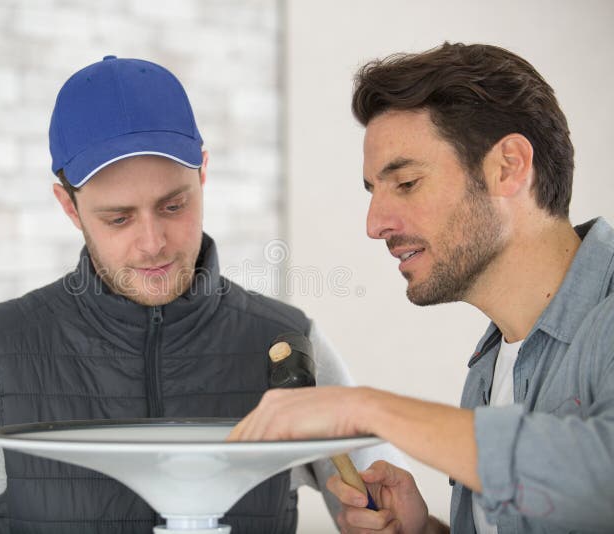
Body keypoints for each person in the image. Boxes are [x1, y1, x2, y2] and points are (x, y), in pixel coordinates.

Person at [0, 55, 404, 533]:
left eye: (174, 205)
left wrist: (381, 518)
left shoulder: (289, 343)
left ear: (203, 171)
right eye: (119, 218)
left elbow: (384, 510)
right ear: (68, 207)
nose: (154, 243)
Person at [229, 42, 614, 533]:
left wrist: (367, 408)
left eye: (406, 183)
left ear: (509, 166)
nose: (375, 224)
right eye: (373, 191)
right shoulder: (491, 367)